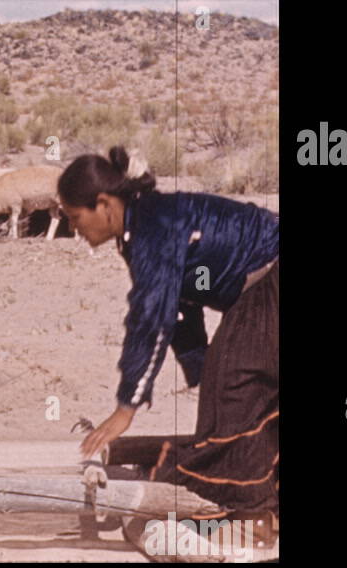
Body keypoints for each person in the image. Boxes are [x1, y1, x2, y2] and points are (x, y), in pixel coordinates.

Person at [57, 146, 279, 534]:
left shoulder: (152, 227)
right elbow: (179, 306)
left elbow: (152, 318)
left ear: (104, 204)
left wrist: (126, 407)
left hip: (271, 277)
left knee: (237, 382)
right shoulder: (139, 228)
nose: (76, 230)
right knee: (224, 382)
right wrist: (199, 369)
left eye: (76, 218)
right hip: (258, 290)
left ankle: (250, 517)